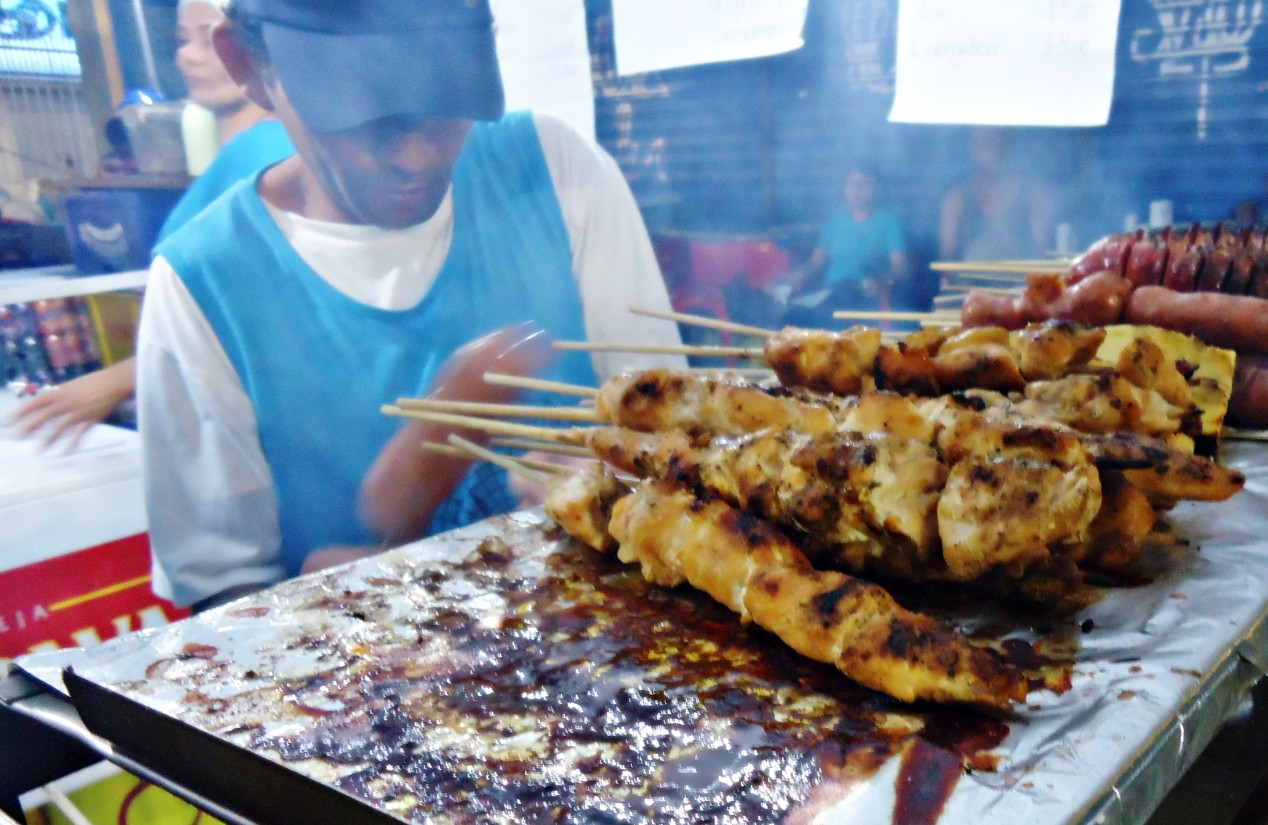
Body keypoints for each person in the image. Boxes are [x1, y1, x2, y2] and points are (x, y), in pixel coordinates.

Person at [136, 0, 682, 609]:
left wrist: (619, 491)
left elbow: (681, 447)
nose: (417, 156)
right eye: (359, 114)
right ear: (248, 64)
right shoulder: (203, 283)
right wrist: (333, 608)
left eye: (447, 100)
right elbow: (223, 609)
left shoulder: (557, 172)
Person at [8, 0, 292, 451]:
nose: (190, 56)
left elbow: (273, 316)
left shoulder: (269, 154)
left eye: (210, 35)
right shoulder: (237, 156)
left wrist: (115, 382)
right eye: (183, 40)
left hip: (265, 425)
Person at [782, 165, 907, 321]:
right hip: (831, 294)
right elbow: (815, 263)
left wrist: (879, 281)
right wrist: (785, 280)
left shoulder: (889, 221)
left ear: (876, 189)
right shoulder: (835, 220)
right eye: (851, 184)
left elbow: (900, 267)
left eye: (864, 184)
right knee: (790, 317)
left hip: (863, 296)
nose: (856, 190)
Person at [939, 128, 1055, 263]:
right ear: (974, 149)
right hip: (969, 282)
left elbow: (1043, 251)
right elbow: (948, 254)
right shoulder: (956, 198)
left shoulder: (1033, 193)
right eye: (986, 143)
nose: (993, 150)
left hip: (1020, 281)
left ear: (1009, 147)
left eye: (1000, 143)